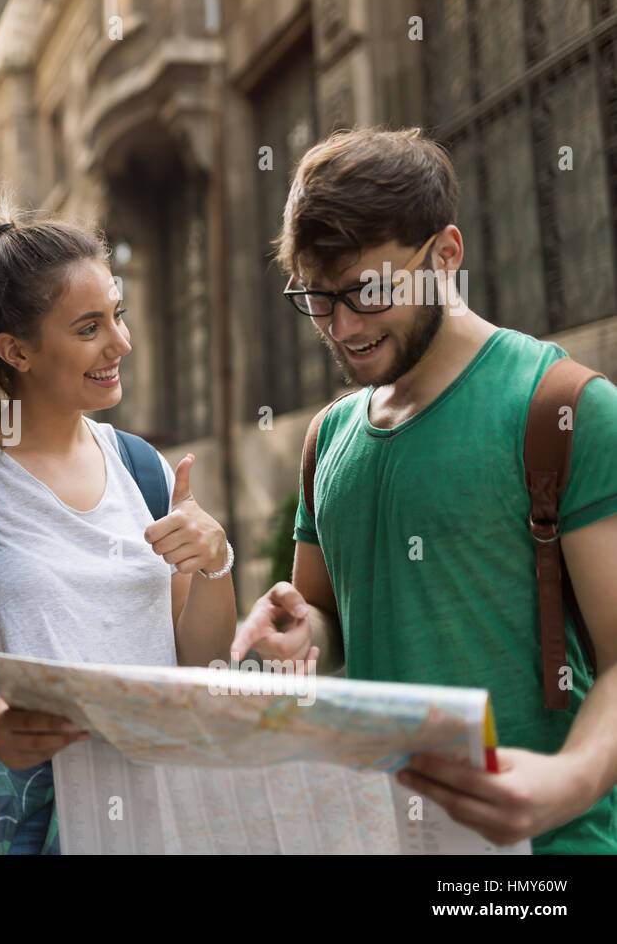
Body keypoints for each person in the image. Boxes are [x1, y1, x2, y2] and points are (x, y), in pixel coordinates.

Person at [231, 127, 617, 853]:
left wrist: (564, 783)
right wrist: (297, 632)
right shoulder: (328, 436)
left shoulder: (561, 408)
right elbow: (325, 610)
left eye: (368, 291)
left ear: (445, 255)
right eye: (316, 297)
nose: (342, 327)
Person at [0, 214, 237, 854]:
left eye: (117, 315)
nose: (120, 344)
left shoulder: (145, 470)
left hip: (156, 814)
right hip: (19, 824)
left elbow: (200, 664)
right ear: (15, 351)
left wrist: (214, 563)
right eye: (88, 328)